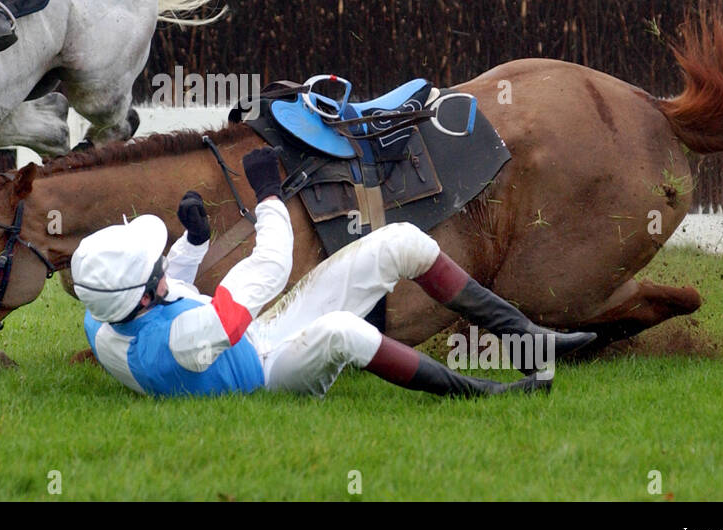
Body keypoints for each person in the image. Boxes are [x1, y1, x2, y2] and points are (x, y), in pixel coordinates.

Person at [72, 147, 598, 399]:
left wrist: (193, 243)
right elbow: (271, 267)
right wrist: (270, 194)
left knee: (401, 242)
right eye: (155, 271)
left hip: (243, 341)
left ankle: (529, 338)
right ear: (141, 299)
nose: (164, 268)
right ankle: (482, 393)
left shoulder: (104, 321)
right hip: (267, 371)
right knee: (344, 333)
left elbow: (173, 290)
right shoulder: (185, 339)